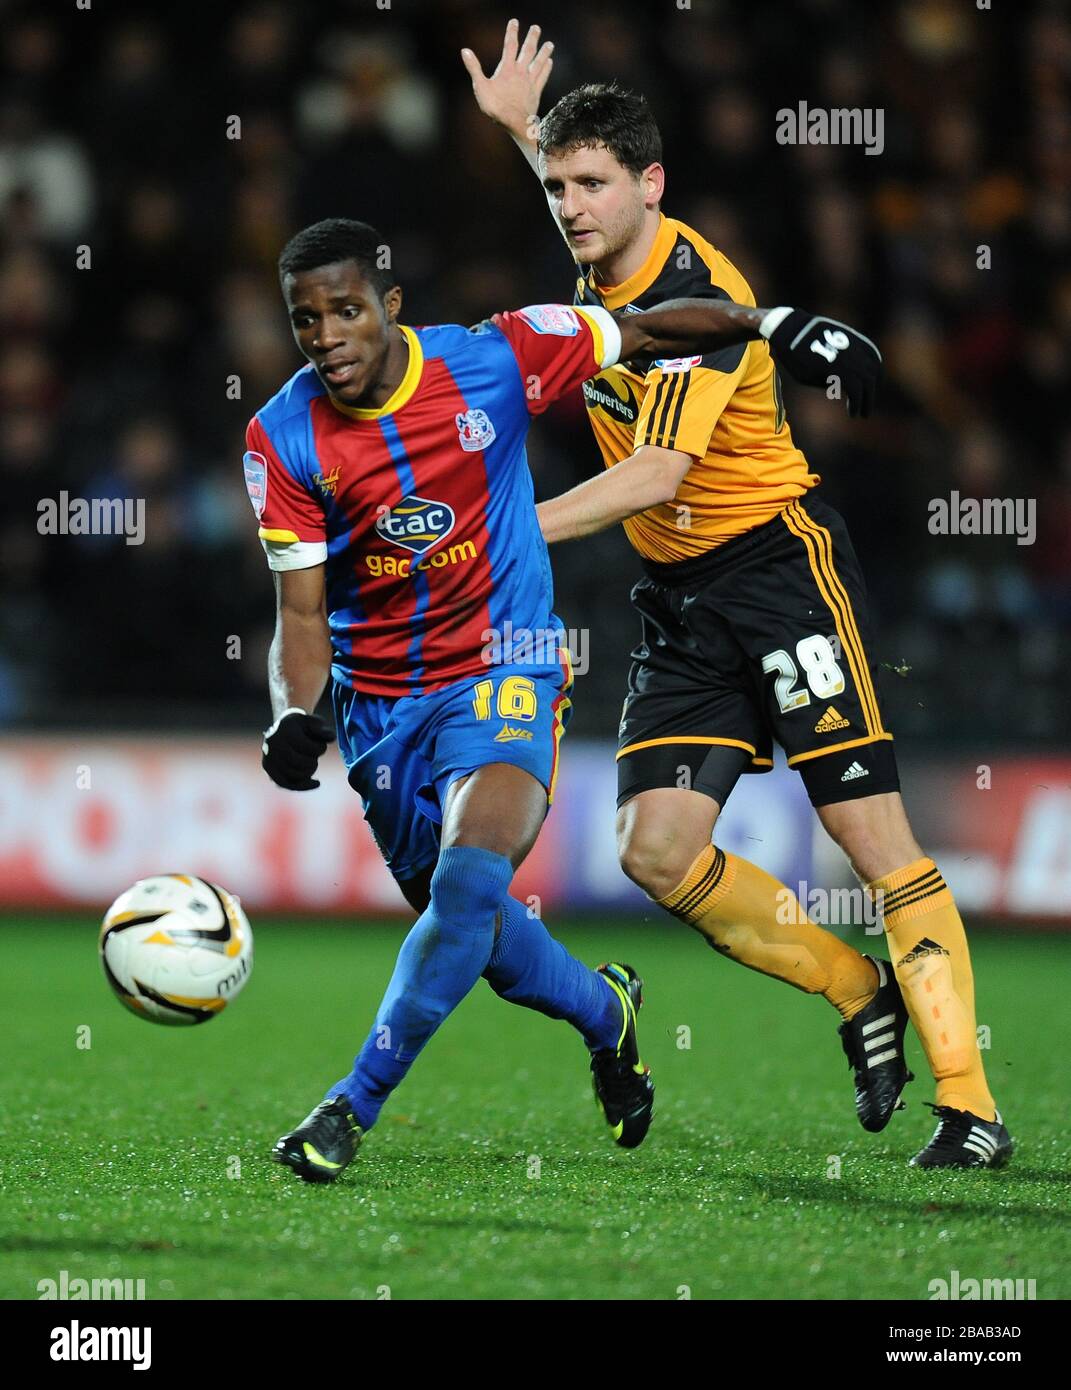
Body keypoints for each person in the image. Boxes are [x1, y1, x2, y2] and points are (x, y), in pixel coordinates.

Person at [461, 20, 1011, 1168]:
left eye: (592, 185)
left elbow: (656, 473)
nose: (569, 207)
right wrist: (526, 131)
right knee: (655, 850)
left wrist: (494, 531)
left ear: (651, 186)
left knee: (876, 843)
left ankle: (971, 1104)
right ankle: (855, 989)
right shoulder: (604, 248)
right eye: (557, 186)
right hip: (680, 598)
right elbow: (580, 194)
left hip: (777, 573)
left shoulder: (698, 293)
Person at [247, 216, 883, 1182]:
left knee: (467, 885)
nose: (328, 335)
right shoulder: (281, 437)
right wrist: (293, 712)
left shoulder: (494, 356)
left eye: (346, 310)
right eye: (307, 321)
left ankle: (349, 1107)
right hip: (379, 707)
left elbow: (648, 328)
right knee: (477, 934)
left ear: (391, 305)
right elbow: (298, 612)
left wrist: (771, 320)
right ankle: (607, 1011)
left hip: (506, 665)